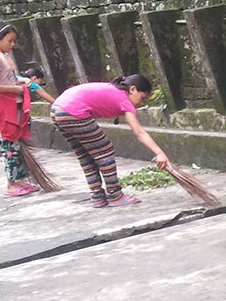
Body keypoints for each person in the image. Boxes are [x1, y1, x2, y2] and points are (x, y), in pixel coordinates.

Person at [50, 74, 171, 207]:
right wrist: (159, 153)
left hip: (57, 110)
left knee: (85, 154)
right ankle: (115, 195)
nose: (141, 104)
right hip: (73, 111)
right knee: (105, 149)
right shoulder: (124, 99)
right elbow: (139, 132)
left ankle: (97, 196)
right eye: (142, 98)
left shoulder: (114, 91)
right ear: (133, 89)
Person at [0, 23, 40, 197]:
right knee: (9, 147)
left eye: (14, 41)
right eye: (9, 41)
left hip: (13, 105)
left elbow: (7, 79)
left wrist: (21, 82)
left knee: (15, 145)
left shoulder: (4, 55)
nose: (13, 44)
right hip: (4, 107)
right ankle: (11, 184)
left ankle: (19, 181)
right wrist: (14, 89)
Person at [0, 67, 55, 157]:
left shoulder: (13, 78)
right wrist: (59, 106)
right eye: (40, 82)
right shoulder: (28, 82)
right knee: (23, 122)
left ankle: (3, 144)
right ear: (34, 78)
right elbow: (48, 98)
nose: (39, 84)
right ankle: (2, 145)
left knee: (3, 126)